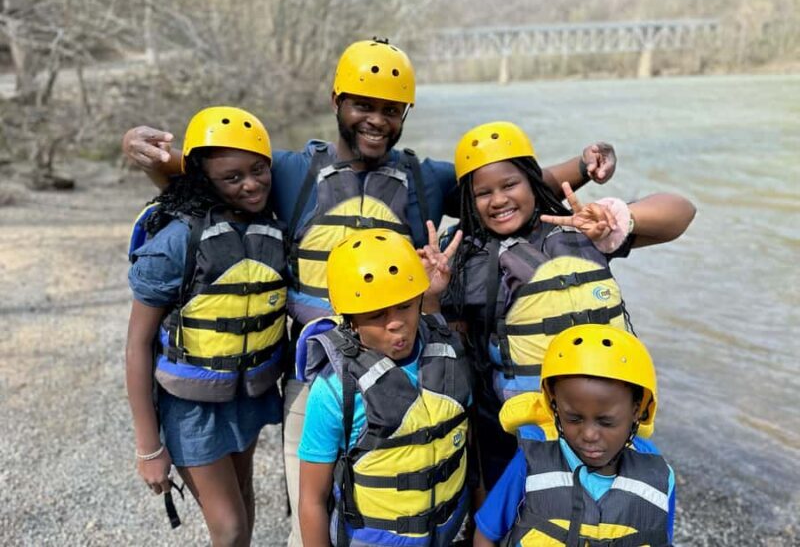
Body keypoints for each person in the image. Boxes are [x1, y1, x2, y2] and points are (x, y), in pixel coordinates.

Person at [121, 39, 618, 545]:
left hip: (403, 362)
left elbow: (510, 182)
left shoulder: (423, 179)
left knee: (402, 500)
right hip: (318, 378)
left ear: (405, 114)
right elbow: (211, 171)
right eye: (363, 105)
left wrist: (585, 163)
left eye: (390, 109)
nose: (376, 120)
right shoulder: (293, 172)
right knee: (311, 512)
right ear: (337, 102)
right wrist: (143, 154)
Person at [443, 121, 695, 493]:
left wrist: (618, 220)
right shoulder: (464, 260)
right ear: (469, 201)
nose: (498, 200)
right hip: (520, 428)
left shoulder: (581, 229)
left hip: (602, 421)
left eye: (510, 185)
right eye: (484, 193)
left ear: (534, 181)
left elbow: (681, 212)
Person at [125, 106, 287, 546]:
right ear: (203, 178)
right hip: (190, 406)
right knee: (230, 529)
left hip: (247, 395)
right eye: (232, 178)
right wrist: (149, 447)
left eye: (258, 170)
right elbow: (137, 345)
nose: (251, 184)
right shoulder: (177, 241)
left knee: (244, 504)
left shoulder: (268, 223)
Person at [296, 227, 469, 546]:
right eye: (376, 314)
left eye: (405, 306)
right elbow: (312, 499)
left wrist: (431, 295)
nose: (395, 323)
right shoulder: (334, 391)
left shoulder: (444, 352)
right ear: (349, 319)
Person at [473, 324, 676, 546]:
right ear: (554, 404)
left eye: (606, 422)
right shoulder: (530, 462)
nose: (588, 434)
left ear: (637, 410)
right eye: (574, 419)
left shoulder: (659, 477)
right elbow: (485, 535)